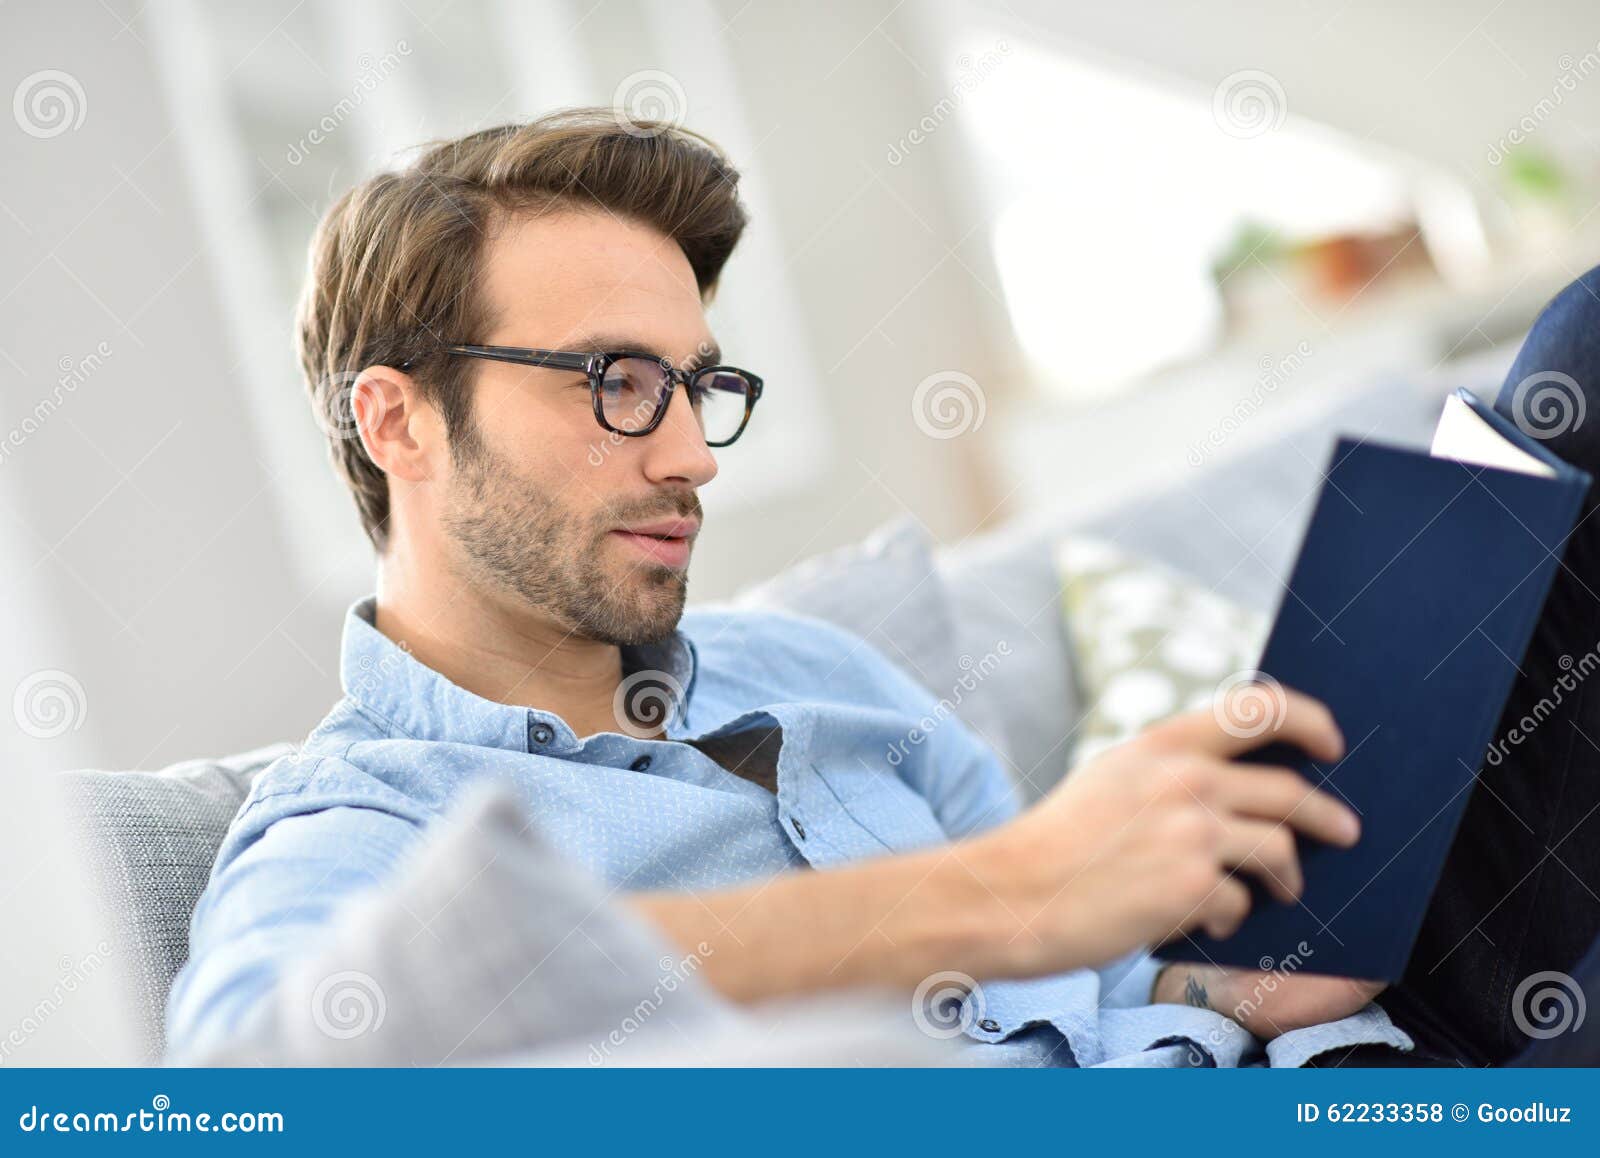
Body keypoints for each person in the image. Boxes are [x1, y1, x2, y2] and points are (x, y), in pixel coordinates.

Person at [168, 109, 1416, 1066]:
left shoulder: (819, 674)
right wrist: (989, 895)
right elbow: (244, 1098)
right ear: (398, 423)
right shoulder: (361, 827)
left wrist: (1233, 989)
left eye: (694, 385)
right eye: (614, 382)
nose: (692, 455)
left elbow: (1088, 989)